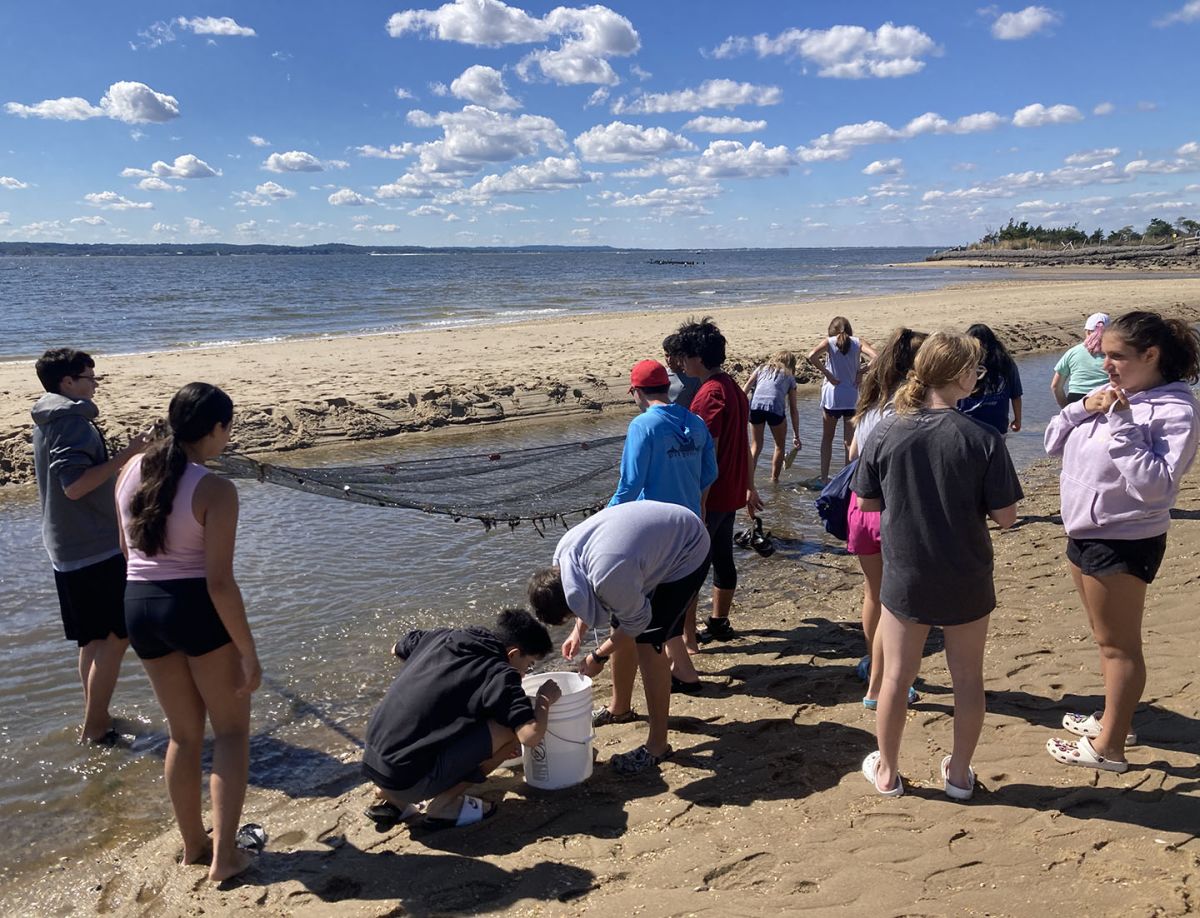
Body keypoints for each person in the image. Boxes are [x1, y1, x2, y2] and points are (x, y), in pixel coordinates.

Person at [852, 333, 1022, 799]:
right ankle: (960, 775)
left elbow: (867, 503)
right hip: (965, 573)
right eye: (976, 370)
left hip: (907, 574)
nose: (978, 377)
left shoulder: (887, 430)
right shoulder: (982, 438)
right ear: (962, 376)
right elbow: (1008, 519)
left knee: (896, 677)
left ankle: (888, 773)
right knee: (967, 679)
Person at [116, 382, 261, 883]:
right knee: (233, 732)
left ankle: (193, 846)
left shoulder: (131, 470)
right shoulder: (216, 488)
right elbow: (220, 583)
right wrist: (248, 653)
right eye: (228, 429)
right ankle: (226, 858)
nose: (228, 438)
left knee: (182, 734)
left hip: (139, 607)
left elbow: (127, 550)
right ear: (217, 428)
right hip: (193, 607)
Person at [1043, 311, 1200, 774]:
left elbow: (1157, 488)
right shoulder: (1114, 396)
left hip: (1123, 538)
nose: (1105, 364)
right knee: (1104, 640)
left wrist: (1122, 424)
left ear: (1150, 356)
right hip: (1084, 531)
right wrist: (1082, 408)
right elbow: (1052, 442)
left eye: (1116, 356)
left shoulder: (1176, 410)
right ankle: (1115, 720)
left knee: (1120, 647)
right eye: (1103, 354)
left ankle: (1109, 748)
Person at [527, 501, 711, 775]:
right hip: (645, 547)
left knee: (650, 644)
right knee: (622, 628)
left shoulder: (609, 577)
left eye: (572, 615)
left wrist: (597, 656)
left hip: (687, 547)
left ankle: (657, 746)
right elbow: (580, 588)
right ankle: (619, 708)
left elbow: (637, 624)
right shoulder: (563, 558)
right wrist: (578, 631)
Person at [31, 348, 150, 745]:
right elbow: (76, 485)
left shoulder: (48, 416)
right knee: (116, 637)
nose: (95, 384)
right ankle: (95, 728)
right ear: (67, 382)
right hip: (92, 547)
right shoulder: (72, 422)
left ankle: (96, 714)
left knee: (93, 640)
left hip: (67, 547)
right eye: (89, 378)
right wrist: (130, 453)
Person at [363, 609, 561, 828]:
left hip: (373, 762)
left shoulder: (440, 637)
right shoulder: (500, 673)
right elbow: (530, 736)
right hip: (407, 779)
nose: (526, 672)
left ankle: (393, 799)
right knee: (508, 731)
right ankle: (444, 805)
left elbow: (396, 649)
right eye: (529, 664)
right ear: (513, 654)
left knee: (467, 715)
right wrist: (544, 699)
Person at [606, 359, 717, 704]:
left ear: (637, 392)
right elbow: (709, 475)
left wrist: (603, 523)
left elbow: (629, 484)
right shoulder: (696, 423)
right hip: (690, 530)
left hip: (652, 533)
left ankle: (624, 700)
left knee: (637, 614)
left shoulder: (643, 426)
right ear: (666, 389)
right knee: (665, 605)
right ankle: (684, 672)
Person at [846, 328, 927, 710]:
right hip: (895, 508)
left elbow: (853, 454)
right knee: (898, 602)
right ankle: (887, 680)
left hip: (861, 505)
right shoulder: (911, 411)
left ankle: (872, 662)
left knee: (873, 593)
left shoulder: (869, 404)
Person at [676, 316, 762, 645]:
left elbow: (705, 453)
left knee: (691, 568)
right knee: (722, 558)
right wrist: (749, 485)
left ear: (698, 358)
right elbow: (743, 445)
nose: (682, 362)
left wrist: (697, 501)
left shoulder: (709, 394)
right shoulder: (733, 389)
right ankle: (719, 621)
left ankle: (688, 638)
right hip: (731, 491)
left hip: (712, 496)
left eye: (685, 356)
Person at [807, 317, 876, 485]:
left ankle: (824, 478)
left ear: (832, 330)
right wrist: (862, 371)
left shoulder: (829, 342)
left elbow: (812, 356)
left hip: (833, 397)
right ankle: (848, 478)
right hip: (851, 397)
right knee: (849, 441)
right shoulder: (857, 342)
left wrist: (827, 374)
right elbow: (877, 357)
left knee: (827, 439)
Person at [743, 351, 802, 483]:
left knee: (756, 446)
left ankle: (748, 481)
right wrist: (796, 436)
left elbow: (745, 389)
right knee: (779, 446)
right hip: (774, 408)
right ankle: (774, 480)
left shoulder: (761, 368)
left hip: (755, 407)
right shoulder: (790, 377)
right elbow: (793, 409)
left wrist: (740, 411)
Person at [957, 324, 1023, 435]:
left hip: (967, 424)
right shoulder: (1007, 364)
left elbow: (951, 392)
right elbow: (1016, 395)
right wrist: (1018, 419)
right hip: (997, 426)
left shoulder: (963, 364)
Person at [1051, 312, 1111, 407]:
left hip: (1076, 400)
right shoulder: (1114, 353)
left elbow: (1055, 387)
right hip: (1103, 399)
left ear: (1087, 332)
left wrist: (1066, 409)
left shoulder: (1072, 352)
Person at [662, 333, 701, 409]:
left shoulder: (695, 378)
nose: (669, 360)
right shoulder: (662, 375)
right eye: (667, 356)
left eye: (673, 356)